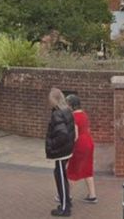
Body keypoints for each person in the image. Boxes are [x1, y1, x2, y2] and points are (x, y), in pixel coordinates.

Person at [45, 88, 75, 217]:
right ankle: (66, 202)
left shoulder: (57, 113)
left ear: (54, 100)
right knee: (61, 175)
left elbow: (62, 134)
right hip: (67, 149)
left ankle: (64, 208)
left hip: (61, 152)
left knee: (61, 178)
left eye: (50, 99)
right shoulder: (67, 110)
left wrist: (52, 145)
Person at [65, 95, 97, 204]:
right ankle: (92, 195)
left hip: (80, 145)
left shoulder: (72, 117)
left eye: (67, 104)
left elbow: (75, 136)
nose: (66, 106)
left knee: (72, 170)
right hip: (89, 142)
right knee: (87, 169)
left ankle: (65, 196)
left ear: (71, 105)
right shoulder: (84, 114)